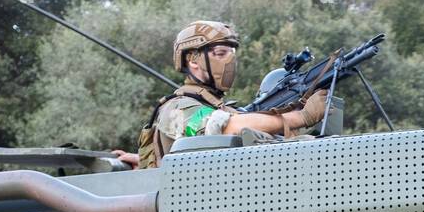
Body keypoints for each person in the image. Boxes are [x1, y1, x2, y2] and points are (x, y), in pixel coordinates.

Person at [135, 21, 328, 168]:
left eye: (232, 53)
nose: (229, 61)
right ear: (193, 60)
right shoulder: (175, 108)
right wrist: (300, 117)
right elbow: (225, 127)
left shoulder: (219, 108)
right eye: (220, 53)